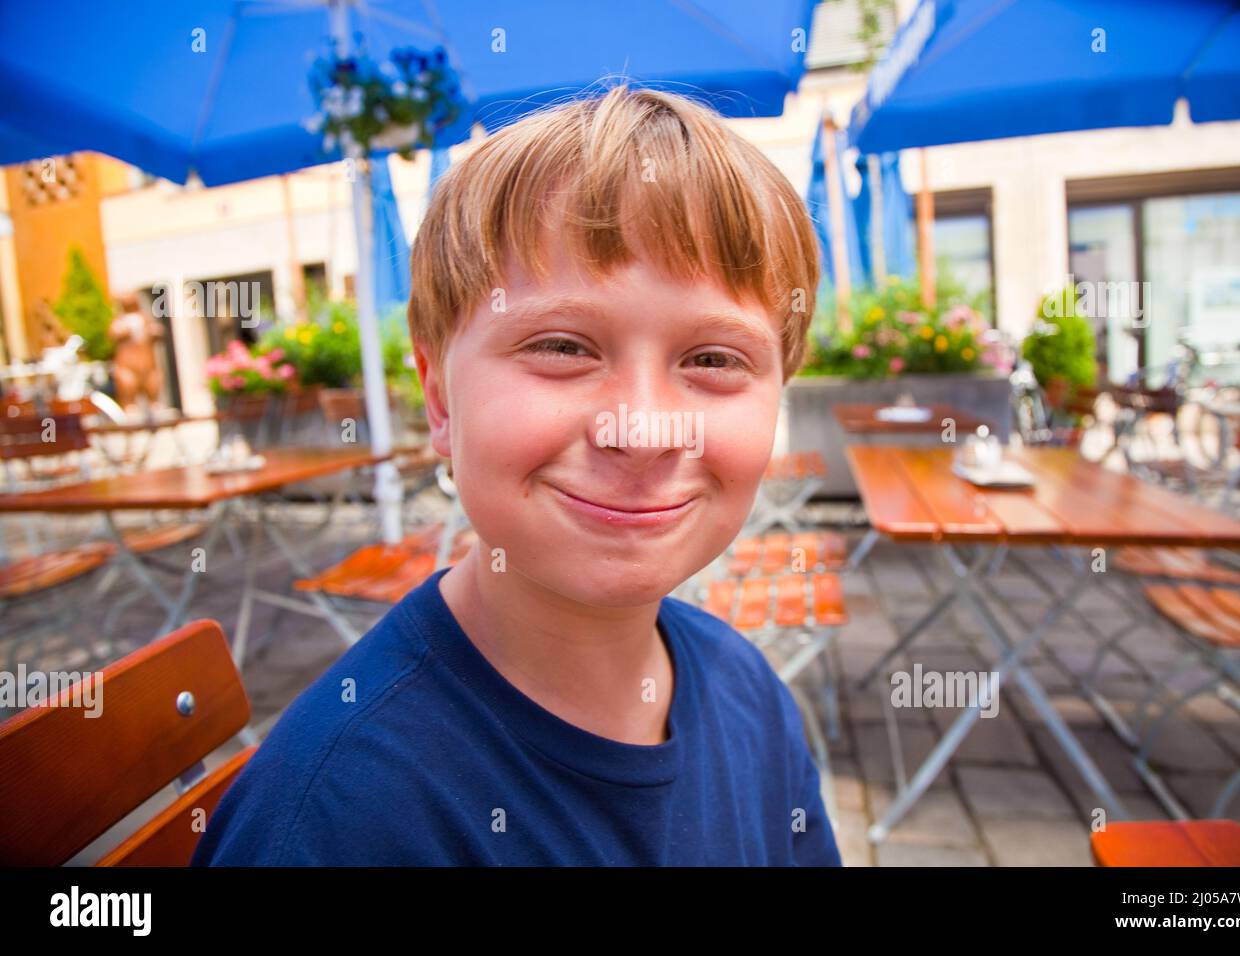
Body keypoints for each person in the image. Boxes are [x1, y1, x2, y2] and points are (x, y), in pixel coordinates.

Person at [192, 86, 840, 866]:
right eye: (563, 347)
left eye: (712, 359)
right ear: (439, 399)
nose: (641, 429)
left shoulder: (750, 694)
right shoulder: (336, 824)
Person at [109, 292, 165, 417]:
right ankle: (131, 410)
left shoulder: (144, 318)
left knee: (153, 385)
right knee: (128, 387)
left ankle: (154, 407)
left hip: (148, 366)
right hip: (128, 367)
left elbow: (157, 331)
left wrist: (154, 332)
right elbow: (113, 333)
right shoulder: (120, 321)